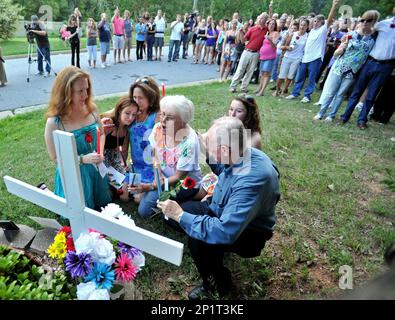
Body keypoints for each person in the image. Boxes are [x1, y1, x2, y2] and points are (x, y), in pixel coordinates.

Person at [157, 116, 280, 299]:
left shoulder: (252, 181)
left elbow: (225, 230)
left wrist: (181, 215)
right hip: (220, 208)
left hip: (248, 232)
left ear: (223, 150)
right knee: (171, 217)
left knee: (197, 239)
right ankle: (211, 247)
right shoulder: (240, 153)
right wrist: (206, 148)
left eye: (210, 144)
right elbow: (224, 170)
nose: (207, 147)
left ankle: (217, 284)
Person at [44, 66, 112, 210]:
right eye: (80, 91)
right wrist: (82, 159)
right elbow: (55, 157)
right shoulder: (55, 123)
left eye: (86, 89)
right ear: (66, 92)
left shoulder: (92, 110)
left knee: (102, 206)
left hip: (95, 168)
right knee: (80, 211)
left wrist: (100, 151)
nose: (85, 95)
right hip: (74, 174)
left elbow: (101, 133)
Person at [131, 95, 202, 218]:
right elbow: (154, 155)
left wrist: (151, 186)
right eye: (162, 114)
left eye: (169, 118)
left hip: (183, 184)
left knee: (144, 212)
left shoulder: (189, 142)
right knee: (141, 204)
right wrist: (158, 175)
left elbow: (178, 177)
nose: (163, 120)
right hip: (163, 179)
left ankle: (194, 195)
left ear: (183, 120)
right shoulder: (158, 128)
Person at [314, 12, 377, 122]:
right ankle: (321, 113)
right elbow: (336, 54)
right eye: (363, 20)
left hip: (353, 71)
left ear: (373, 22)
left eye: (369, 20)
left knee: (340, 94)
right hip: (339, 67)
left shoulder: (373, 39)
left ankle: (331, 116)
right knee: (330, 92)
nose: (365, 23)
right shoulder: (350, 35)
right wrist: (342, 47)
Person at [341, 7, 395, 129]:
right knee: (357, 91)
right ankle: (345, 116)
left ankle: (362, 120)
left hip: (386, 66)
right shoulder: (382, 24)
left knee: (372, 94)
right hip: (370, 62)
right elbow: (365, 31)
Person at [285, 0, 339, 103]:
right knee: (300, 77)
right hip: (305, 58)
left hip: (316, 58)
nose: (315, 23)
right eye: (314, 21)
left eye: (317, 21)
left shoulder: (323, 30)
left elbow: (330, 18)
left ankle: (307, 96)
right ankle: (295, 93)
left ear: (322, 23)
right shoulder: (311, 32)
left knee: (311, 78)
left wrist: (334, 6)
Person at [101, 96, 139, 202]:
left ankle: (132, 190)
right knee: (119, 195)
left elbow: (125, 150)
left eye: (134, 115)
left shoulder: (127, 128)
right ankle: (113, 188)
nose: (130, 118)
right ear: (119, 110)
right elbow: (96, 143)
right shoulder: (109, 122)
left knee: (129, 190)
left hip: (114, 158)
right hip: (102, 159)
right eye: (127, 113)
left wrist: (124, 164)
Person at [229, 13, 269, 93]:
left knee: (250, 71)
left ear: (265, 20)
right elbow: (244, 40)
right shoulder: (252, 29)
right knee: (240, 69)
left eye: (262, 18)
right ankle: (233, 86)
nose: (260, 20)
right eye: (259, 18)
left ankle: (244, 87)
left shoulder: (266, 30)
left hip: (256, 53)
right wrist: (240, 34)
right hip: (247, 51)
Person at [274, 20, 307, 97]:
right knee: (281, 75)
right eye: (301, 25)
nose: (302, 27)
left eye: (304, 25)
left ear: (307, 27)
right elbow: (283, 46)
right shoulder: (293, 34)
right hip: (287, 57)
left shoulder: (307, 36)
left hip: (297, 58)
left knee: (290, 76)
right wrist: (287, 47)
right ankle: (277, 90)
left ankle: (284, 91)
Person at [255, 19, 280, 96]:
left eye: (273, 24)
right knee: (262, 73)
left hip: (270, 56)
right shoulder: (267, 32)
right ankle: (259, 88)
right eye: (270, 24)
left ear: (275, 26)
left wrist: (269, 40)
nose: (271, 25)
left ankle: (262, 91)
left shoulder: (276, 33)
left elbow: (274, 47)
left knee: (266, 74)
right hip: (263, 56)